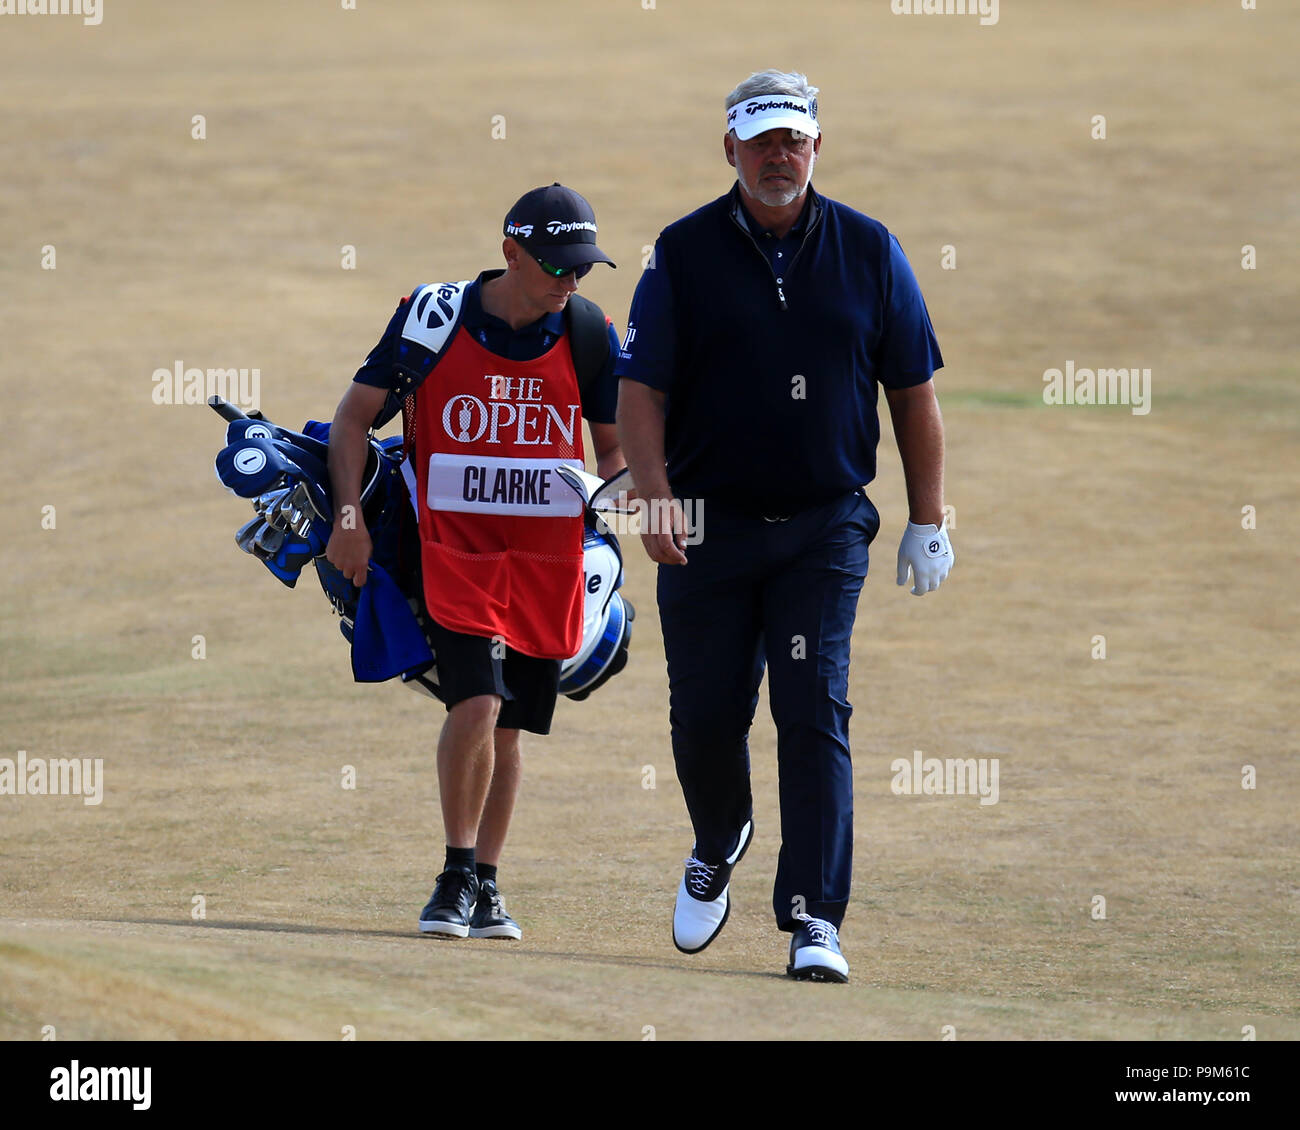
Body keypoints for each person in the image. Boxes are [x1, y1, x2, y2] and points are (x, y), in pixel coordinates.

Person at [616, 71, 954, 981]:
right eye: (761, 141)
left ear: (817, 145)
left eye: (793, 139)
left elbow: (912, 389)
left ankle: (815, 920)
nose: (778, 156)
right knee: (706, 717)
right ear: (730, 148)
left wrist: (929, 519)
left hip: (824, 527)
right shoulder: (682, 253)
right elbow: (640, 389)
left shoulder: (871, 250)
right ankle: (720, 835)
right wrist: (650, 496)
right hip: (707, 524)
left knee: (813, 713)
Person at [327, 183, 624, 940]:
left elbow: (615, 451)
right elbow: (354, 419)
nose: (570, 282)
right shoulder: (433, 318)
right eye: (556, 266)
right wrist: (350, 519)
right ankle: (455, 877)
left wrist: (617, 525)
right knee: (479, 702)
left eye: (582, 268)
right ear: (510, 253)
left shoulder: (588, 331)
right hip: (451, 552)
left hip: (547, 560)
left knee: (511, 727)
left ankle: (488, 886)